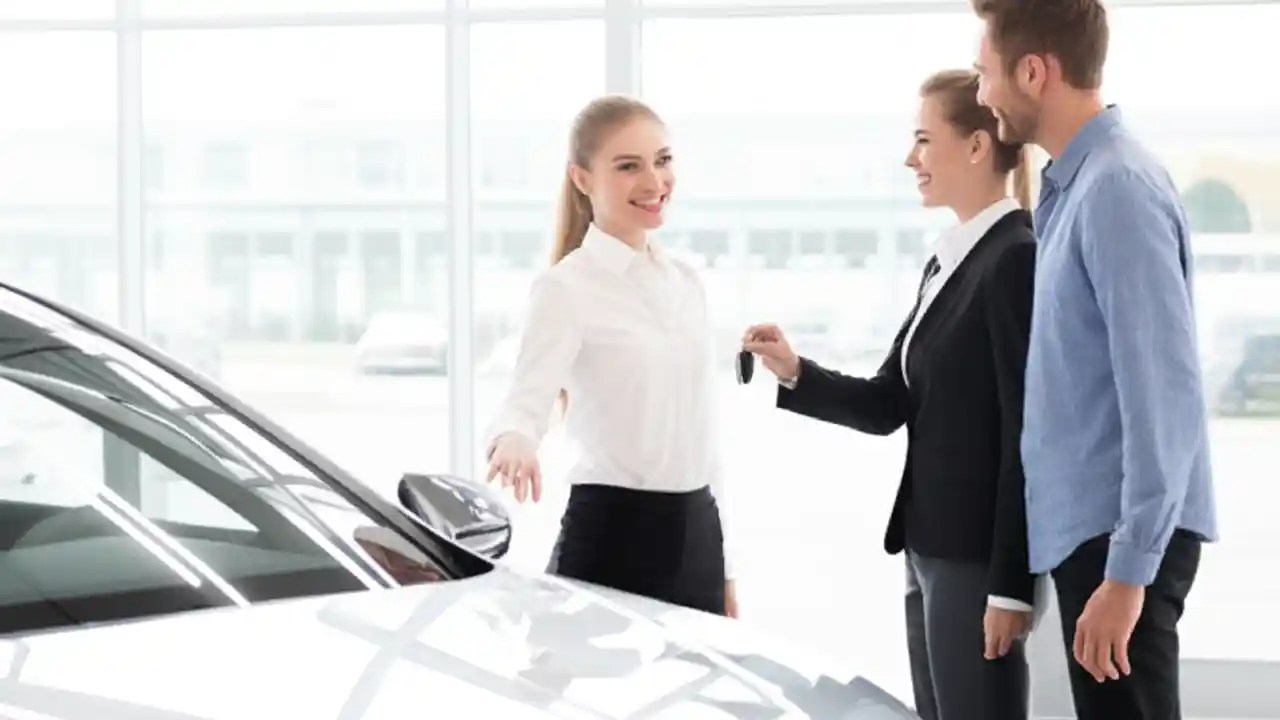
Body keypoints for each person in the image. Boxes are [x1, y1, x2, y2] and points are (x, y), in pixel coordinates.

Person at [742, 69, 1037, 720]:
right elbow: (887, 402)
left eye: (924, 139)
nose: (912, 159)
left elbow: (1028, 432)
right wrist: (795, 370)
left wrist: (1011, 587)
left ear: (978, 147)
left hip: (974, 559)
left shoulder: (1014, 257)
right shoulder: (950, 259)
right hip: (926, 548)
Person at [969, 1, 1219, 718]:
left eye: (985, 75)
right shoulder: (1077, 187)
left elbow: (1162, 394)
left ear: (1034, 71)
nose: (982, 96)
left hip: (1120, 540)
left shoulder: (1115, 190)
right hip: (1097, 536)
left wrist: (1128, 573)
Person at [483, 95, 737, 618]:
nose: (654, 182)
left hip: (698, 537)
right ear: (582, 179)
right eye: (628, 166)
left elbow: (705, 439)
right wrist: (514, 439)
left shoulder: (688, 283)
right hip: (613, 533)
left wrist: (725, 568)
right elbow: (525, 401)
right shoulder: (566, 288)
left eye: (662, 161)